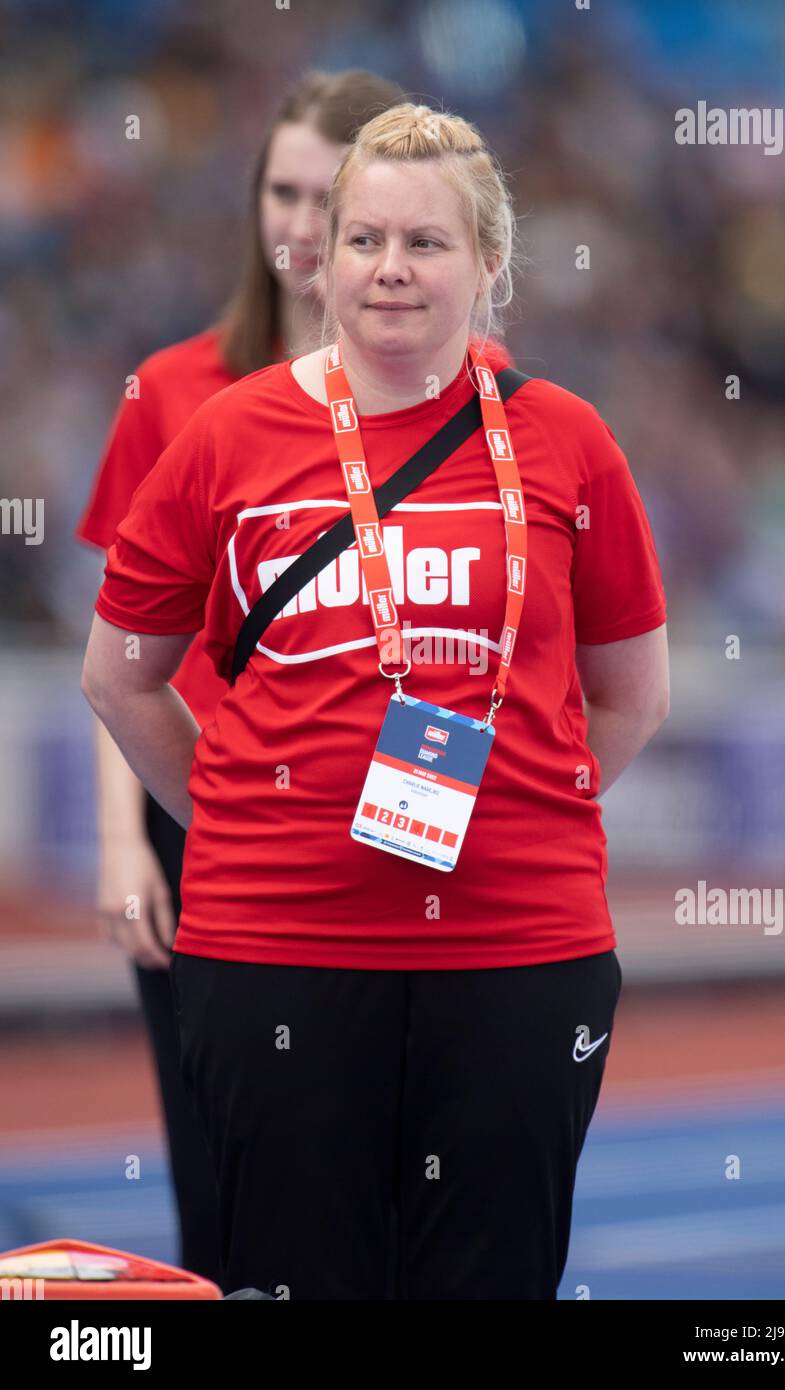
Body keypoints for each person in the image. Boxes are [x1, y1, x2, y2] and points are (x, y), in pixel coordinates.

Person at [81, 101, 669, 1300]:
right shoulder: (224, 434)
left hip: (518, 949)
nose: (389, 270)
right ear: (321, 256)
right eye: (362, 240)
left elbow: (629, 695)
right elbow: (121, 671)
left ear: (489, 264)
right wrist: (246, 817)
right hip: (274, 949)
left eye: (426, 243)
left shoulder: (567, 441)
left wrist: (514, 807)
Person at [74, 69, 410, 1286]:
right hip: (208, 827)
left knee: (390, 1166)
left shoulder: (448, 387)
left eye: (332, 196)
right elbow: (121, 649)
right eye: (282, 190)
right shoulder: (171, 391)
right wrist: (127, 844)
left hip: (385, 827)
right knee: (224, 1164)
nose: (302, 224)